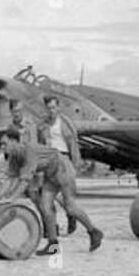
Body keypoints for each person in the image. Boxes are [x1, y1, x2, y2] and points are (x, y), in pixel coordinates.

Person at [0, 128, 103, 255]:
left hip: (63, 168)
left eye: (5, 143)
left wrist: (12, 198)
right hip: (51, 173)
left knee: (70, 207)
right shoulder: (14, 157)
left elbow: (25, 180)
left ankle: (93, 232)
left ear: (14, 141)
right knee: (46, 207)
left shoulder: (29, 151)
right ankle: (53, 245)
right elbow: (10, 178)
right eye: (1, 144)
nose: (2, 147)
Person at [39, 94, 83, 234]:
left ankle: (73, 217)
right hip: (49, 161)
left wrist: (75, 164)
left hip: (64, 160)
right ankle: (52, 229)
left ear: (58, 107)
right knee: (47, 198)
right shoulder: (43, 124)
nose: (51, 110)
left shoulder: (65, 123)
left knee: (65, 197)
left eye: (53, 107)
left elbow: (73, 144)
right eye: (48, 108)